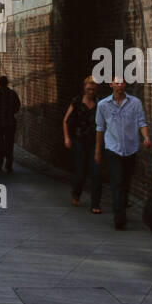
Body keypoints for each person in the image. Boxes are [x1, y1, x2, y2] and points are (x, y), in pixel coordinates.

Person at [94, 76, 151, 229]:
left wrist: (146, 137)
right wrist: (98, 151)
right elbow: (100, 128)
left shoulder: (135, 103)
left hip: (131, 148)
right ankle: (119, 218)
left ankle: (121, 207)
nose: (120, 85)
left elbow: (141, 122)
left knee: (126, 182)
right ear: (111, 84)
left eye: (122, 82)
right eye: (117, 82)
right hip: (113, 148)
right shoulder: (103, 105)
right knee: (117, 182)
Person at [63, 76, 102, 212]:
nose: (91, 91)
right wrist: (67, 137)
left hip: (95, 141)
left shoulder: (99, 103)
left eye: (93, 89)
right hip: (79, 140)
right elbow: (66, 120)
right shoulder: (77, 102)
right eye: (88, 89)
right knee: (81, 171)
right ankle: (76, 193)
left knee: (96, 171)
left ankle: (95, 204)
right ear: (84, 88)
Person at [0, 74, 20, 173]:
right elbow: (17, 106)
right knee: (9, 145)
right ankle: (9, 165)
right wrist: (10, 113)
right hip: (10, 124)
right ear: (7, 83)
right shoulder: (13, 94)